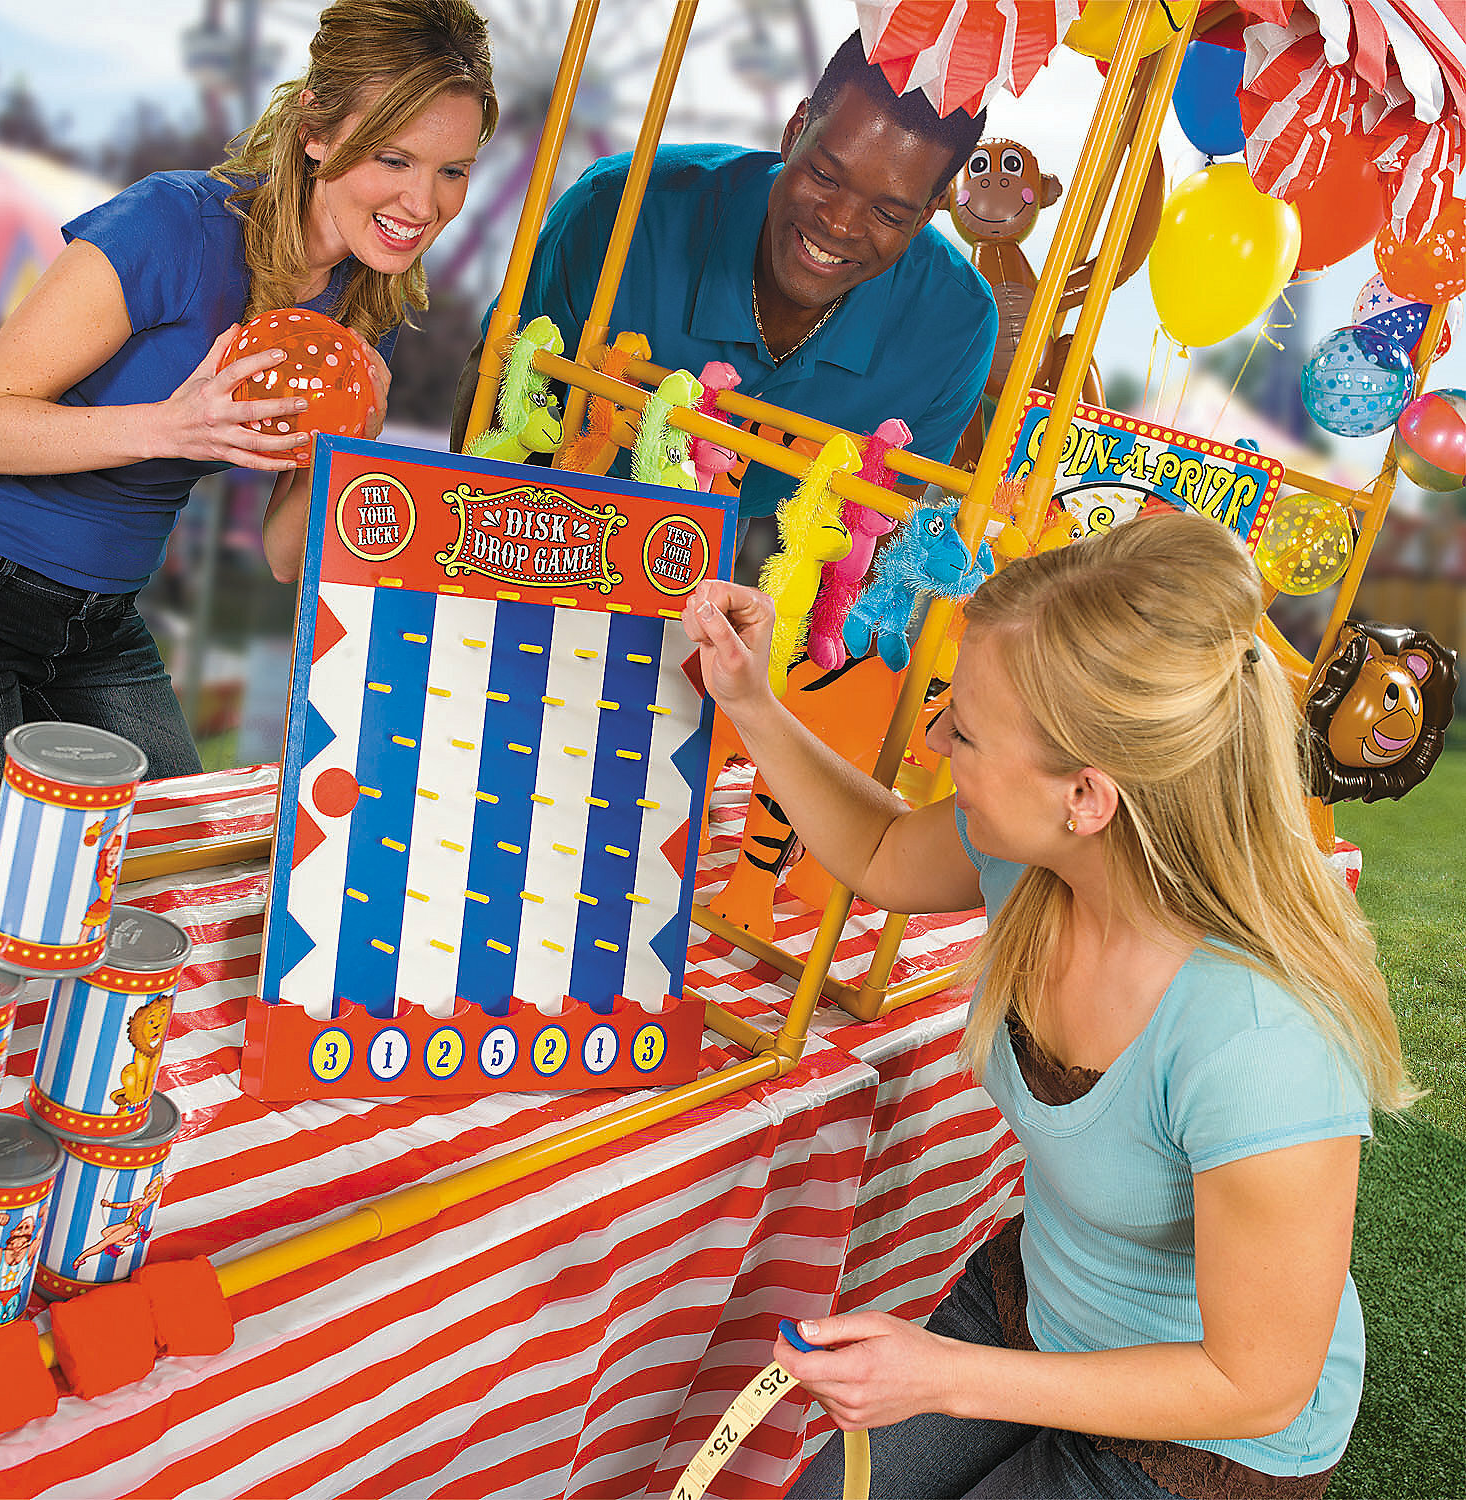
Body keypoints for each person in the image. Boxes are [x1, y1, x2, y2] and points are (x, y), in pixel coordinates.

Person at [682, 512, 1410, 1500]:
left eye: (967, 729)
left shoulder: (1260, 1039)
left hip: (1208, 1439)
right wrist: (752, 700)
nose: (933, 736)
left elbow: (1256, 1385)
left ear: (1088, 797)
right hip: (1040, 1306)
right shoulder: (1030, 856)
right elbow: (881, 851)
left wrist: (943, 1376)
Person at [0, 0, 497, 805]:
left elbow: (288, 556)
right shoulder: (173, 223)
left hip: (99, 619)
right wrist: (170, 427)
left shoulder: (364, 306)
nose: (424, 205)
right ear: (316, 132)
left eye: (452, 170)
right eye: (394, 159)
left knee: (179, 859)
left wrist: (358, 438)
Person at [450, 31, 997, 527]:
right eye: (825, 176)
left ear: (926, 215)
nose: (839, 223)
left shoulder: (956, 326)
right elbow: (497, 391)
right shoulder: (618, 213)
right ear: (795, 132)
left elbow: (877, 537)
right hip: (550, 532)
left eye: (888, 214)